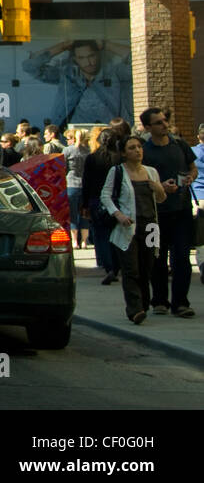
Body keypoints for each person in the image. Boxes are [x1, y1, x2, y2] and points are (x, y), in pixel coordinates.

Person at [139, 107, 198, 317]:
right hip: (155, 214)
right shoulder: (144, 151)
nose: (164, 125)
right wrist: (160, 186)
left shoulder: (179, 144)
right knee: (157, 257)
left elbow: (193, 167)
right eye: (158, 123)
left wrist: (190, 176)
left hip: (181, 210)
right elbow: (139, 179)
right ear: (147, 127)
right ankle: (159, 300)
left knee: (182, 257)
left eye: (164, 121)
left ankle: (181, 302)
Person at [104, 136, 166, 324]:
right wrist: (119, 214)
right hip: (128, 228)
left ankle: (143, 305)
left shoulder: (151, 172)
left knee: (147, 267)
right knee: (131, 269)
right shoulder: (117, 172)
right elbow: (105, 196)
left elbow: (161, 199)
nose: (137, 150)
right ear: (123, 152)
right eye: (132, 148)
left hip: (151, 227)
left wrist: (158, 188)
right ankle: (135, 309)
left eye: (139, 147)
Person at [23, 38, 133, 127]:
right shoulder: (67, 76)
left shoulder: (114, 74)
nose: (88, 62)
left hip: (109, 132)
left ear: (98, 55)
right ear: (75, 59)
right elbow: (30, 66)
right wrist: (62, 46)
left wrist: (106, 44)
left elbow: (139, 60)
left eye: (91, 56)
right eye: (82, 58)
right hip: (75, 135)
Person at [83, 123, 132, 284]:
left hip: (96, 200)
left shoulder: (92, 158)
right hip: (117, 199)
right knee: (117, 233)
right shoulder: (120, 159)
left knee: (101, 234)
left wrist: (84, 205)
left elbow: (86, 182)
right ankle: (118, 264)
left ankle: (108, 266)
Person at [63, 128, 90, 249]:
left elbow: (62, 167)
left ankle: (74, 241)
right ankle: (84, 241)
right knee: (84, 214)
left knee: (72, 214)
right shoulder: (88, 151)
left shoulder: (68, 150)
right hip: (84, 184)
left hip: (71, 183)